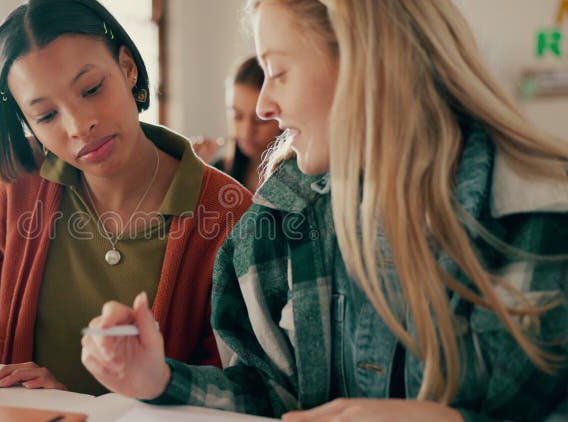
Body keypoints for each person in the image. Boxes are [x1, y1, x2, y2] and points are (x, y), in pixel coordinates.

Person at [80, 0, 568, 420]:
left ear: (368, 66)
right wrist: (156, 377)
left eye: (279, 71)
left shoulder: (539, 216)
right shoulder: (271, 227)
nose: (266, 105)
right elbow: (271, 396)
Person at [0, 0, 251, 396]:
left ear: (127, 67)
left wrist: (77, 402)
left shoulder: (230, 213)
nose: (79, 125)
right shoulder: (16, 184)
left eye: (91, 89)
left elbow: (231, 384)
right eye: (46, 115)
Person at [192, 56, 283, 192]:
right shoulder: (219, 172)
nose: (246, 132)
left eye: (260, 120)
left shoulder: (298, 181)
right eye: (237, 116)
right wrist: (195, 176)